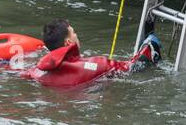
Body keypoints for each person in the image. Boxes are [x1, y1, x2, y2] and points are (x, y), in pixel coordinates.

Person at [25, 19, 160, 89]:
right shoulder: (97, 64)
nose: (76, 35)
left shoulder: (36, 71)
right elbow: (132, 67)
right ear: (68, 42)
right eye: (74, 32)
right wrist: (150, 46)